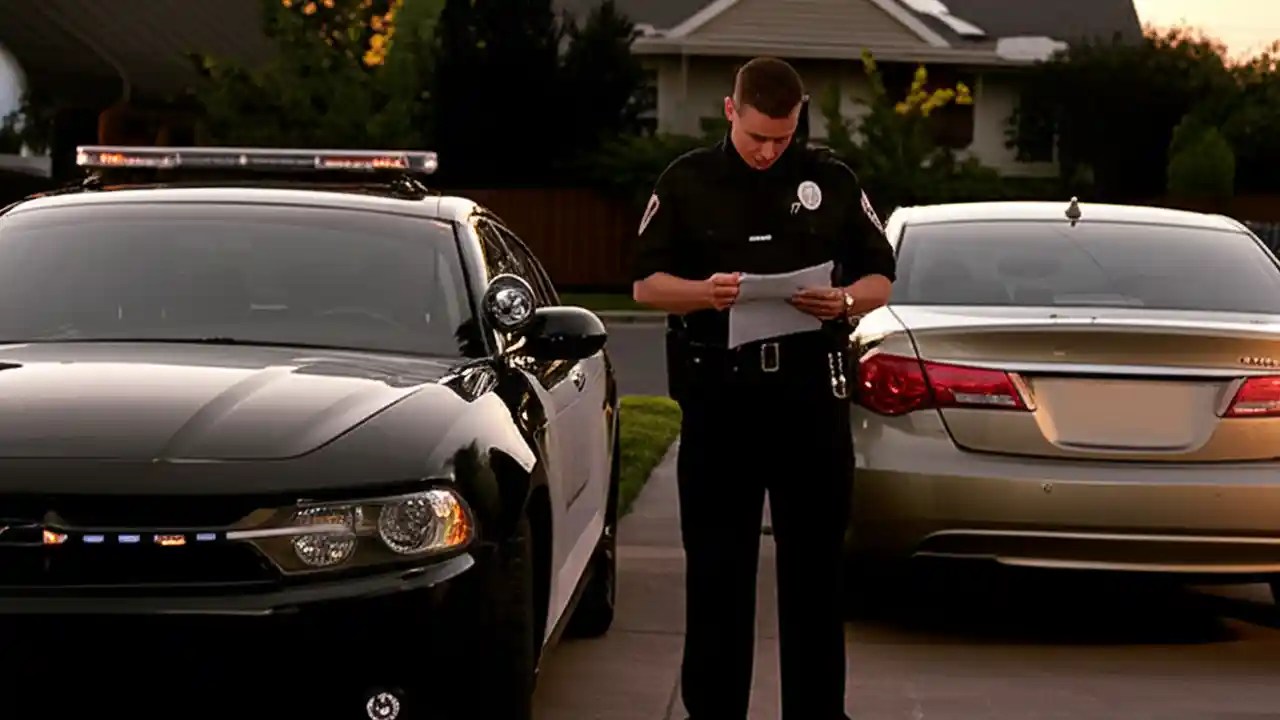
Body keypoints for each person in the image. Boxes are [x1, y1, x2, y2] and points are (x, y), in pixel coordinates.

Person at [629, 57, 896, 720]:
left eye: (782, 137)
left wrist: (841, 301)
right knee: (719, 572)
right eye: (757, 138)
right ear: (730, 111)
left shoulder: (829, 180)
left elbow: (880, 279)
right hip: (723, 402)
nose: (769, 151)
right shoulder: (687, 181)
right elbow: (644, 285)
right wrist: (705, 294)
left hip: (808, 402)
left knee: (814, 576)